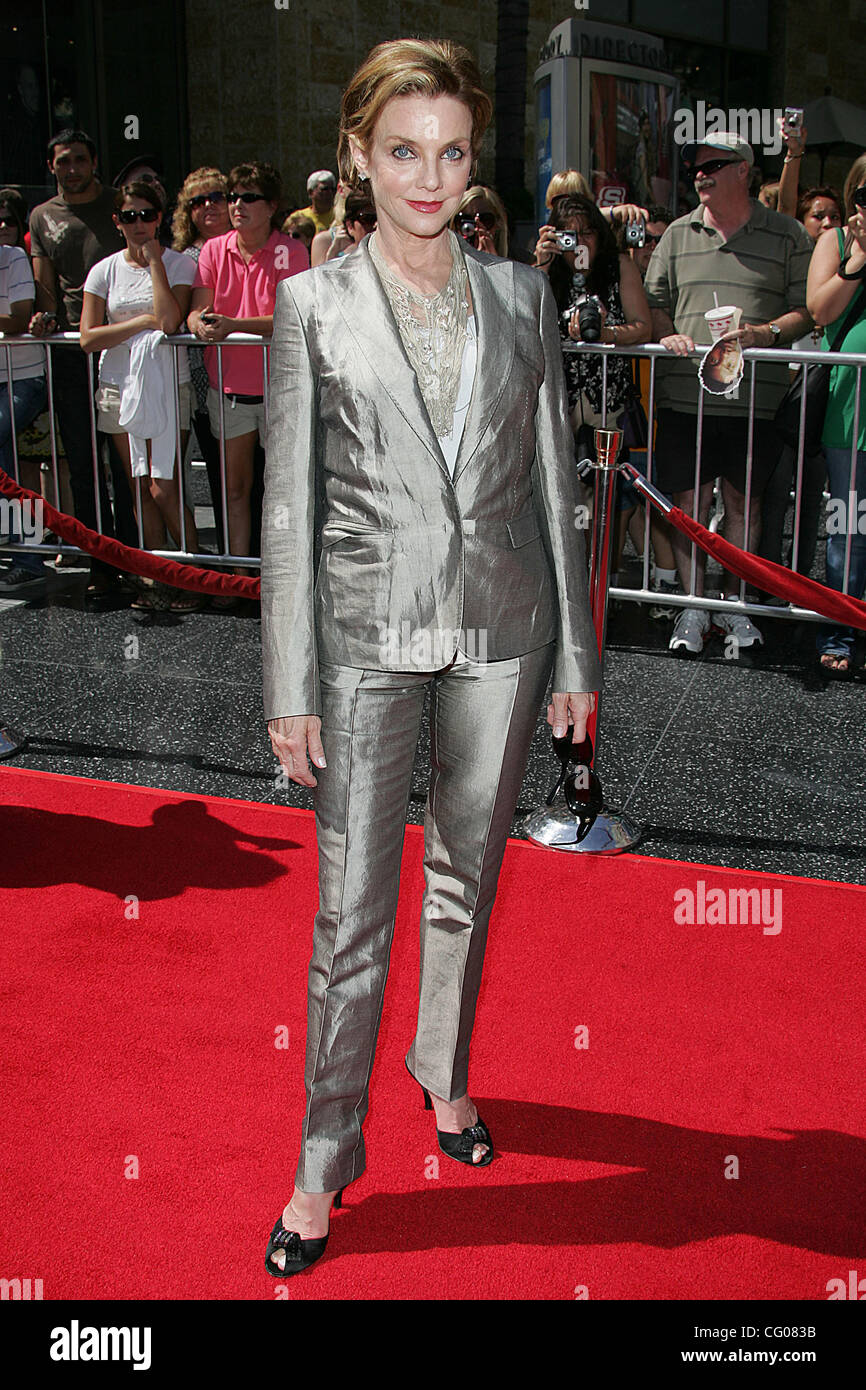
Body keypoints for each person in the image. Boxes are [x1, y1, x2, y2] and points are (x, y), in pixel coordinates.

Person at [260, 36, 600, 1276]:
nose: (429, 177)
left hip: (503, 635)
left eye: (451, 152)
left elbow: (556, 488)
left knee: (467, 877)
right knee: (350, 914)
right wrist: (288, 680)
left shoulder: (519, 296)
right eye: (403, 151)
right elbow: (285, 506)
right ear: (357, 154)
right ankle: (320, 1159)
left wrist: (576, 657)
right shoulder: (310, 305)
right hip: (360, 640)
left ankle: (443, 1079)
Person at [643, 132, 813, 654]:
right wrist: (666, 330)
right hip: (684, 396)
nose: (701, 173)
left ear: (744, 171)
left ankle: (737, 610)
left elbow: (806, 308)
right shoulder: (677, 233)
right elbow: (652, 303)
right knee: (690, 506)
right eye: (696, 166)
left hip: (755, 398)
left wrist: (767, 334)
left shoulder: (785, 233)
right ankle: (694, 612)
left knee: (746, 506)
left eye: (714, 164)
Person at [187, 160, 308, 605]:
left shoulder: (291, 251)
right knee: (234, 490)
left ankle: (281, 582)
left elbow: (290, 317)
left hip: (281, 390)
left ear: (272, 206)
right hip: (229, 388)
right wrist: (200, 324)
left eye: (248, 197)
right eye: (232, 196)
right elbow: (197, 309)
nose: (237, 205)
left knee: (281, 491)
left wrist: (233, 323)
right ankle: (239, 580)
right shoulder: (213, 249)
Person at [79, 181, 203, 611]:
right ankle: (156, 578)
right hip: (117, 387)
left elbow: (170, 322)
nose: (139, 224)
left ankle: (194, 573)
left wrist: (154, 266)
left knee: (163, 487)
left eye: (147, 215)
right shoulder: (104, 270)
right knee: (137, 486)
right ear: (116, 221)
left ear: (160, 218)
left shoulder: (179, 264)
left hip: (168, 387)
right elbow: (89, 337)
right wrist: (140, 322)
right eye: (129, 216)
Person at [27, 128, 136, 602]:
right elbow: (44, 284)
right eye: (61, 161)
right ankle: (100, 561)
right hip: (73, 353)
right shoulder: (42, 216)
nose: (70, 168)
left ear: (94, 162)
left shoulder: (120, 203)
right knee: (85, 466)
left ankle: (134, 556)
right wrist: (43, 317)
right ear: (51, 166)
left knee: (127, 463)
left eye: (78, 159)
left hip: (124, 349)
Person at [758, 183, 845, 581]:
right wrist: (793, 154)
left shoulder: (848, 270)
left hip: (825, 398)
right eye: (817, 216)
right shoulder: (794, 256)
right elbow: (786, 205)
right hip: (786, 398)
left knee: (812, 497)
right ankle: (771, 580)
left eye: (834, 216)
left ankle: (803, 581)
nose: (827, 223)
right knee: (775, 493)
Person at [806, 153, 866, 676]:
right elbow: (821, 310)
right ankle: (838, 632)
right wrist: (860, 257)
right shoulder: (839, 242)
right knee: (848, 529)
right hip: (852, 407)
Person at [171, 168, 234, 556]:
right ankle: (225, 556)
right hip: (199, 381)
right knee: (217, 474)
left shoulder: (246, 248)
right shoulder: (182, 259)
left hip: (246, 383)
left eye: (216, 197)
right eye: (198, 201)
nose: (208, 206)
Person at [0, 224, 49, 593]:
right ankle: (27, 557)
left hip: (24, 378)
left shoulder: (13, 257)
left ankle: (28, 556)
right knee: (9, 468)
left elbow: (19, 318)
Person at [451, 183, 508, 257]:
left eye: (485, 220)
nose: (475, 229)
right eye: (464, 220)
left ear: (498, 223)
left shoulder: (517, 264)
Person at [321, 190, 377, 260]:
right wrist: (332, 254)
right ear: (350, 226)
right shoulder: (344, 263)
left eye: (381, 219)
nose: (376, 224)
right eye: (368, 219)